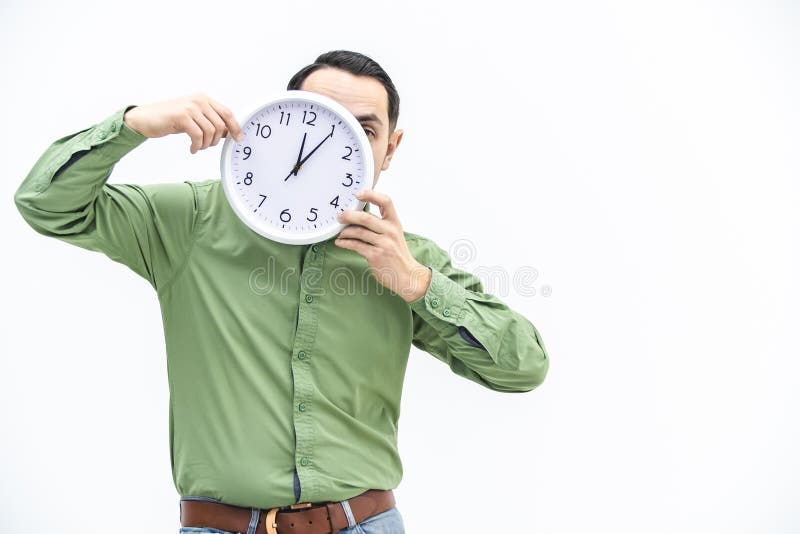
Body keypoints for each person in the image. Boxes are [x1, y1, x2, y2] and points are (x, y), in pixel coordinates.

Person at [13, 50, 549, 534]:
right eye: (323, 122)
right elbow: (44, 203)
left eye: (364, 130)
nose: (339, 144)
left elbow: (523, 367)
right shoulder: (190, 222)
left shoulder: (405, 259)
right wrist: (134, 125)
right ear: (280, 119)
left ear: (390, 149)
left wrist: (416, 283)